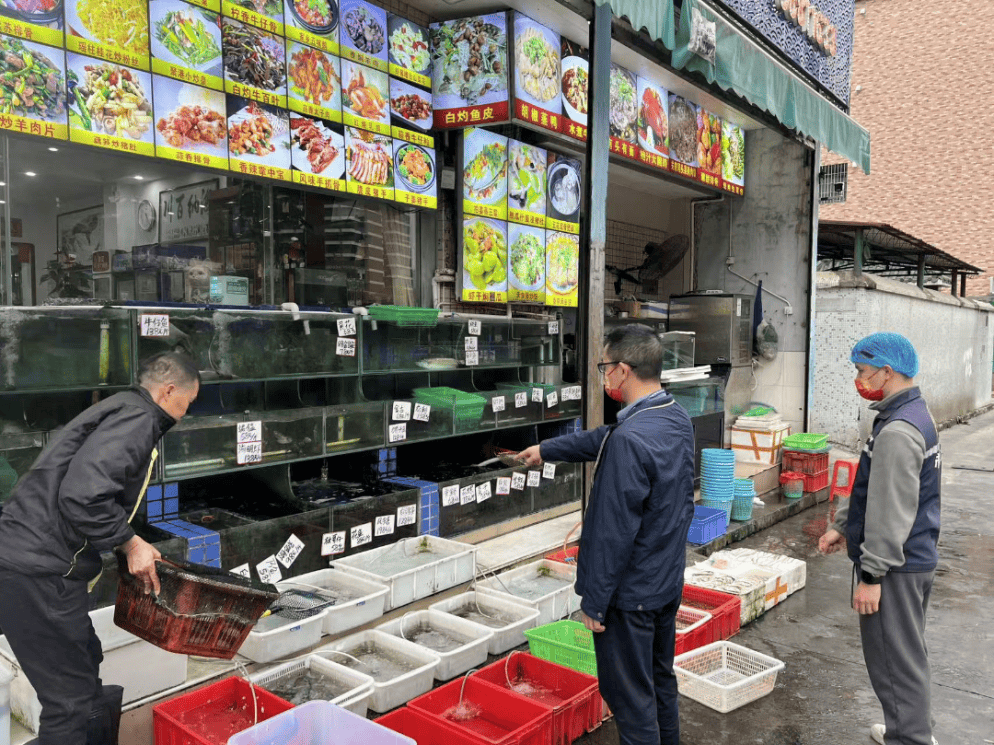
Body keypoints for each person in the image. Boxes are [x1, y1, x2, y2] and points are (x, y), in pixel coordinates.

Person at [0, 352, 200, 745]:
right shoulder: (138, 417)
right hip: (39, 570)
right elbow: (83, 496)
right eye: (187, 402)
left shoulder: (121, 408)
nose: (185, 413)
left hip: (35, 561)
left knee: (87, 661)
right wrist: (130, 542)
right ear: (169, 391)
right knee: (69, 704)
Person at [518, 324, 695, 745]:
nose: (603, 376)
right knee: (659, 681)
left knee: (630, 699)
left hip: (629, 595)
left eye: (604, 367)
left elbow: (611, 533)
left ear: (622, 370)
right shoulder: (673, 416)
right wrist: (547, 450)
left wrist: (594, 603)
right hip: (665, 581)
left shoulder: (630, 440)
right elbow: (604, 438)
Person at [818, 333, 940, 745]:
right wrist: (843, 525)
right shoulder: (910, 413)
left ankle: (910, 738)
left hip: (896, 567)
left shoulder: (899, 431)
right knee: (906, 655)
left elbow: (890, 510)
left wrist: (871, 575)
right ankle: (909, 728)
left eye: (862, 370)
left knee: (894, 661)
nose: (858, 378)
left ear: (887, 372)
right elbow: (871, 486)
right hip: (913, 556)